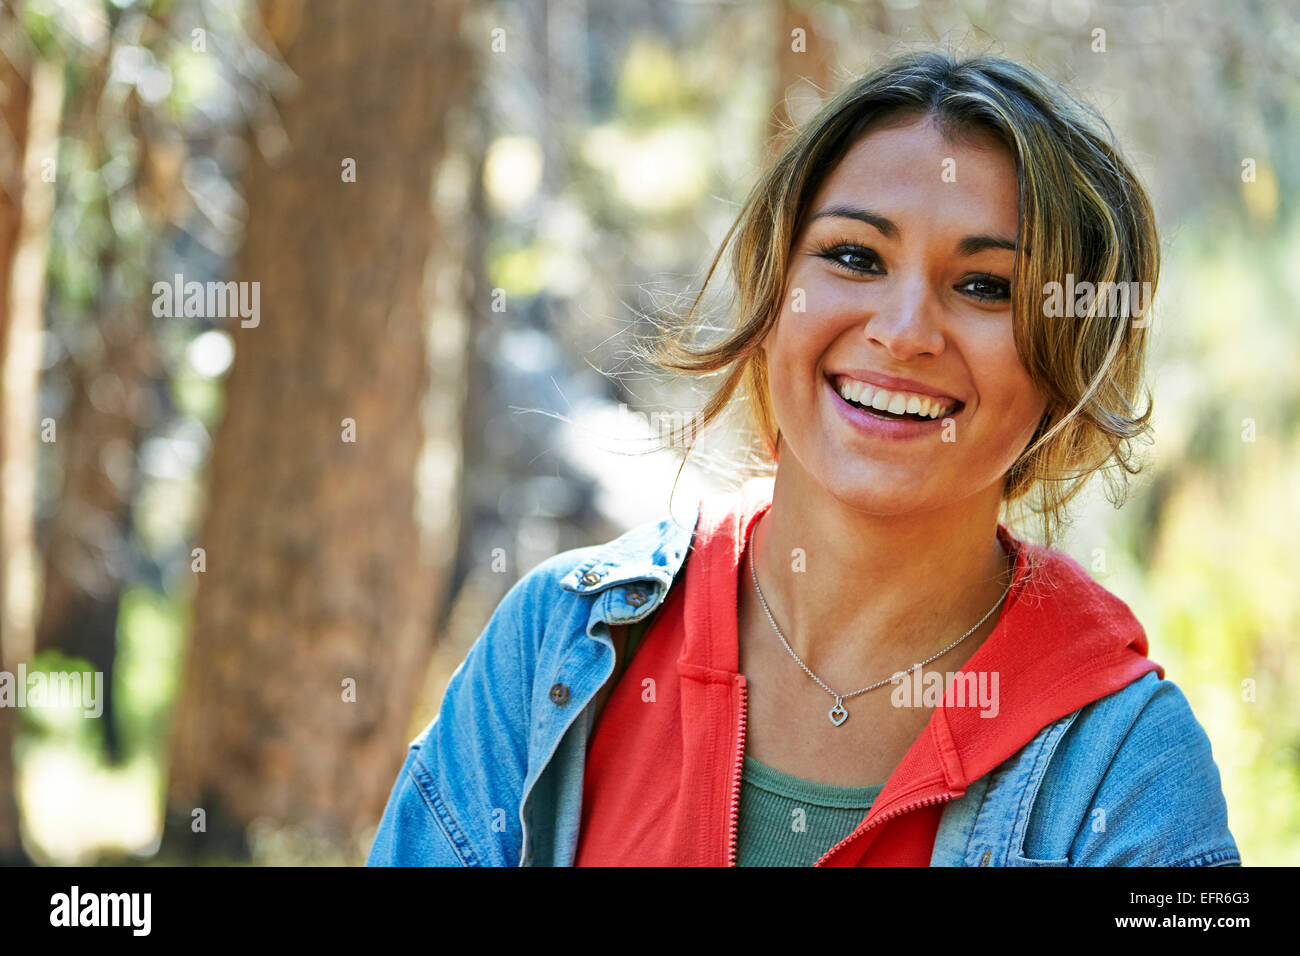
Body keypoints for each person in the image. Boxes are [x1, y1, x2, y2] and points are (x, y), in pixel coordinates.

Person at [366, 51, 1239, 867]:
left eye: (985, 286)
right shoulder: (556, 649)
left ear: (1068, 356)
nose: (902, 332)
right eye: (854, 257)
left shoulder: (1129, 773)